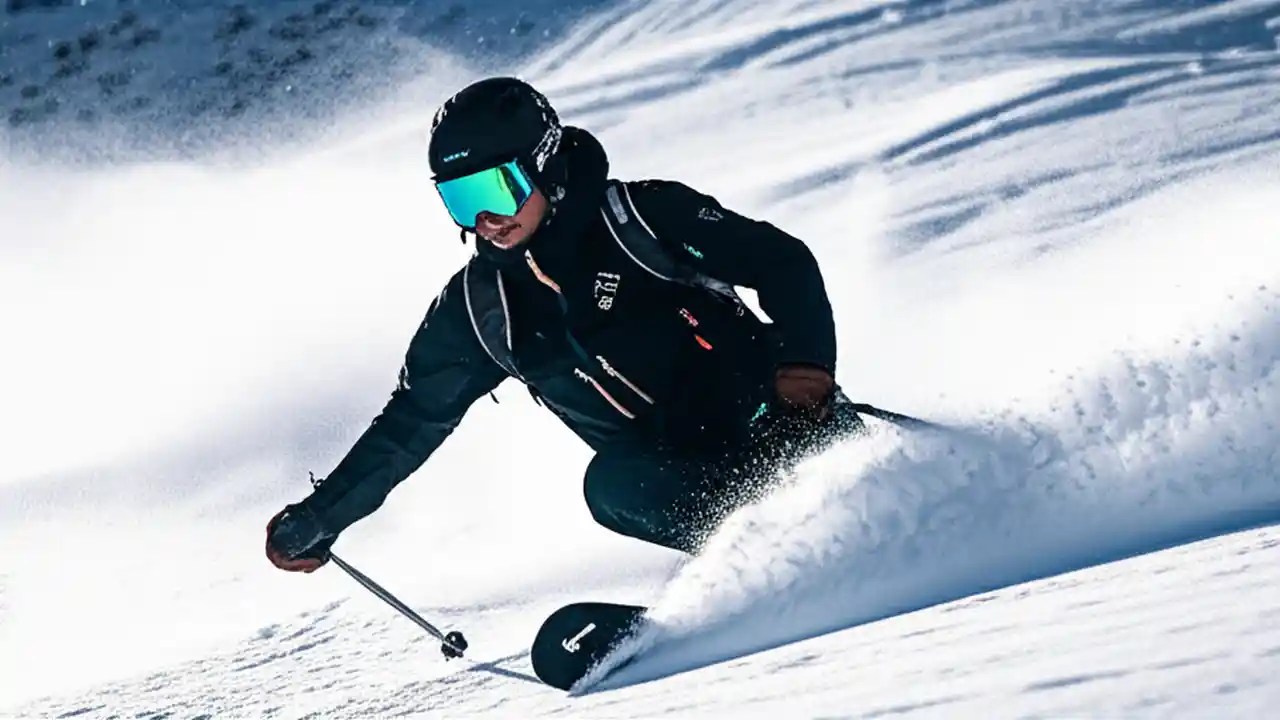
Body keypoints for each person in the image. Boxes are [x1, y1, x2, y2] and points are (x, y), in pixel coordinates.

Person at [266, 77, 863, 572]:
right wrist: (323, 515)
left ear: (545, 165)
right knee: (611, 488)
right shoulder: (482, 308)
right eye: (461, 199)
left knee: (789, 456)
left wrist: (806, 365)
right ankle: (772, 563)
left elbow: (780, 261)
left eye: (496, 189)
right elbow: (412, 420)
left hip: (780, 419)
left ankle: (859, 517)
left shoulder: (639, 218)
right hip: (678, 472)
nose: (485, 219)